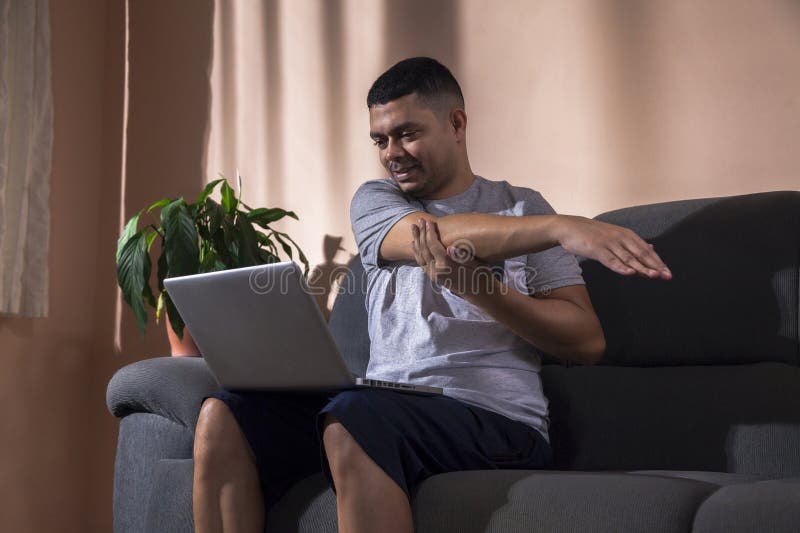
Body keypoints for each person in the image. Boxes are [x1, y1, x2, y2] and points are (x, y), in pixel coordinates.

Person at [192, 57, 672, 533]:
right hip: (384, 409)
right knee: (224, 413)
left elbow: (587, 342)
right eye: (380, 139)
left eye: (407, 133)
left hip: (496, 420)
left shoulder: (520, 207)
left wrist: (478, 288)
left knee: (354, 418)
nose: (392, 152)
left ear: (456, 124)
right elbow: (431, 233)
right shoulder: (379, 202)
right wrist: (561, 227)